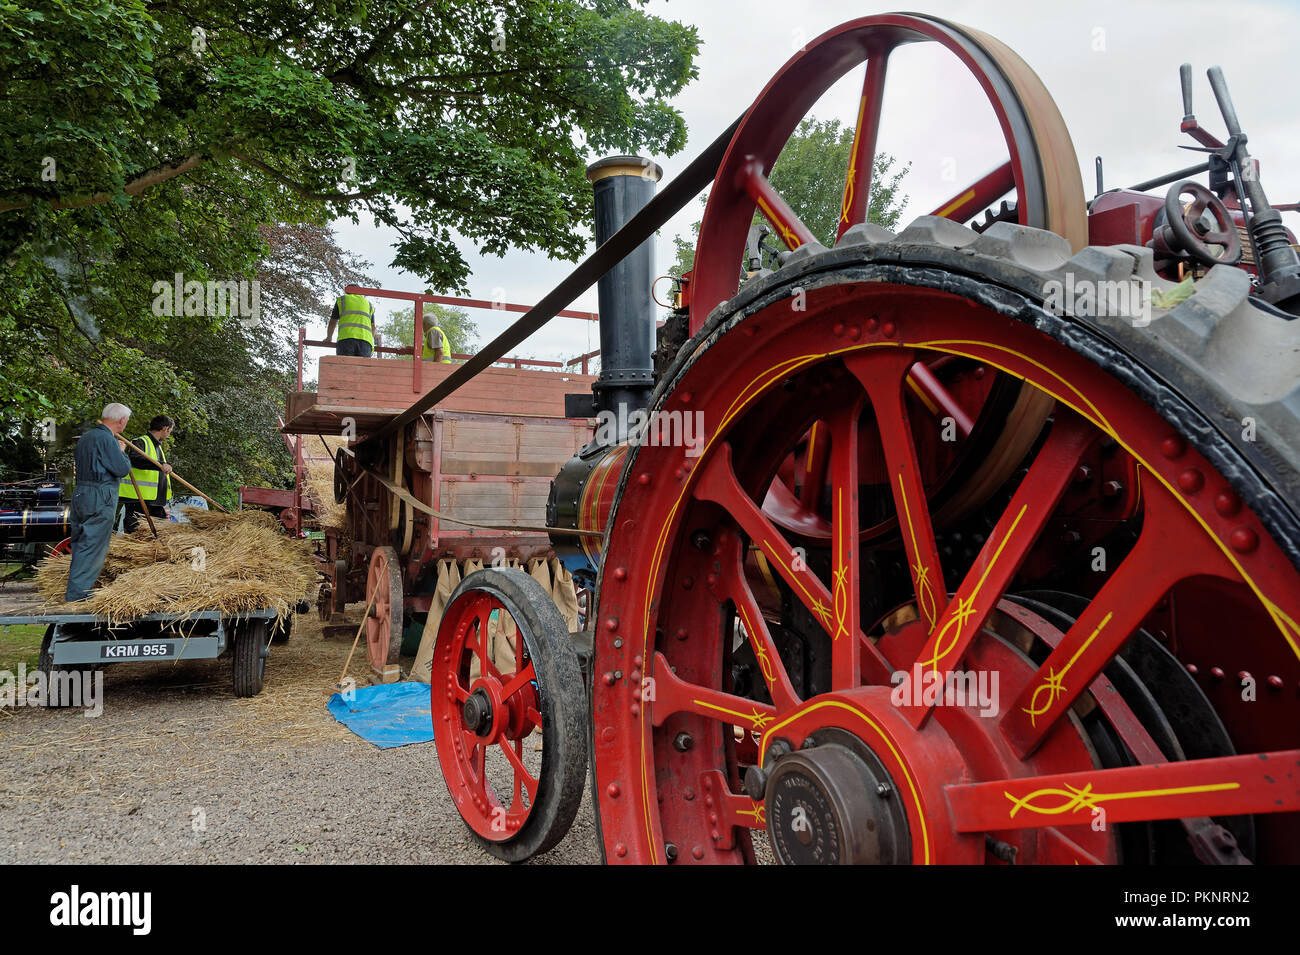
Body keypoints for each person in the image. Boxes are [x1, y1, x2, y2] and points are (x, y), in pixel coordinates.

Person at [66, 403, 133, 602]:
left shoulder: (85, 438)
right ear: (121, 421)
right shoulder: (108, 439)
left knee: (80, 543)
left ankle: (77, 590)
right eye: (126, 421)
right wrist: (122, 451)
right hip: (99, 495)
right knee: (93, 545)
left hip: (81, 494)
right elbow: (121, 469)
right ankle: (79, 595)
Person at [118, 414, 176, 533]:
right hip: (138, 499)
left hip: (154, 501)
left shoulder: (157, 447)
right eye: (170, 431)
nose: (169, 434)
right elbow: (135, 459)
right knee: (136, 533)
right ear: (165, 429)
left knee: (159, 534)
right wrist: (159, 465)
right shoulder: (140, 442)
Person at [325, 291, 375, 357]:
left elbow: (333, 321)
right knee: (363, 367)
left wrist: (329, 338)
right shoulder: (369, 304)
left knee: (345, 366)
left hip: (346, 339)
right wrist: (370, 340)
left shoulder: (342, 300)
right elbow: (373, 327)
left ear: (347, 292)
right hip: (366, 342)